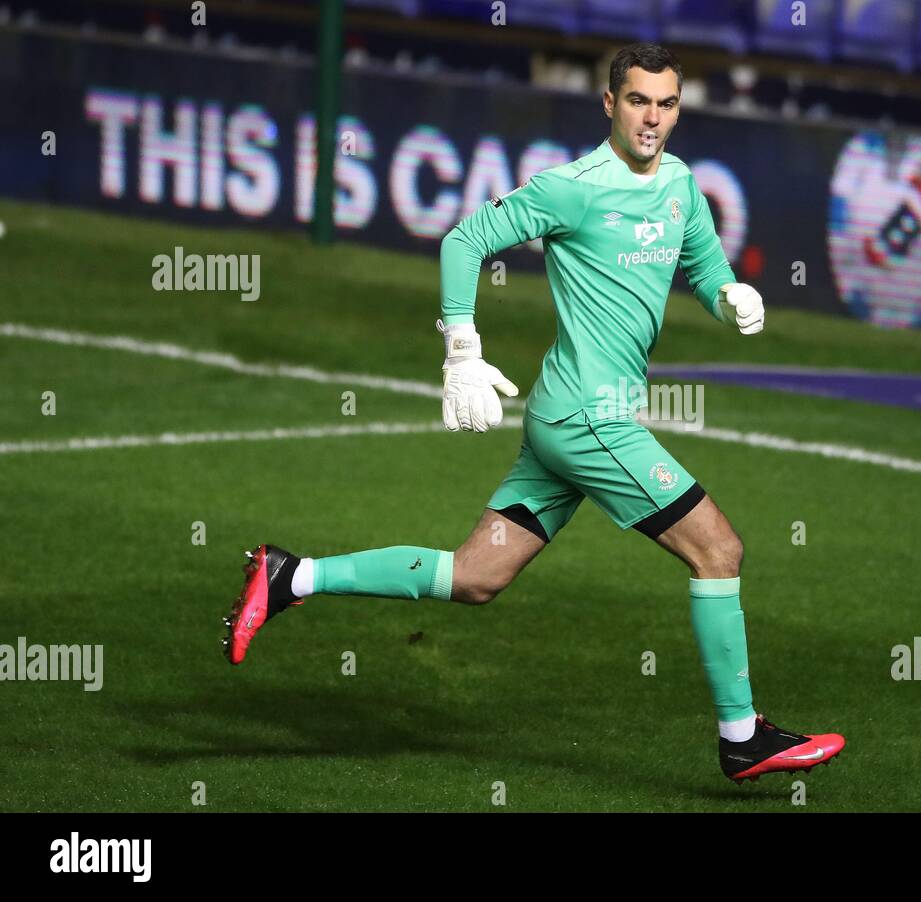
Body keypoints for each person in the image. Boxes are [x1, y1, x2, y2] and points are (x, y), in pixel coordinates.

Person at [223, 42, 844, 784]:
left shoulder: (680, 184)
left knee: (475, 575)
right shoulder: (573, 188)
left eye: (668, 103)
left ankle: (293, 576)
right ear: (609, 104)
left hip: (564, 419)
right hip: (590, 419)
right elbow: (465, 240)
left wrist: (726, 294)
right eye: (639, 101)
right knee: (719, 550)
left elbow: (703, 263)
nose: (653, 118)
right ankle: (742, 738)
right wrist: (460, 349)